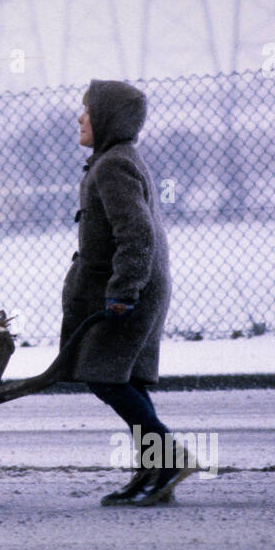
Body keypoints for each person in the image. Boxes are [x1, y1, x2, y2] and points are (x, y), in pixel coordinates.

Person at [60, 79, 197, 506]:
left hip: (130, 289)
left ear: (106, 118)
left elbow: (137, 235)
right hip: (134, 285)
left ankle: (169, 459)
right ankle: (153, 470)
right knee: (127, 379)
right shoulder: (115, 160)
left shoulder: (112, 166)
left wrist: (123, 291)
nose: (80, 118)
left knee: (105, 377)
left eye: (87, 110)